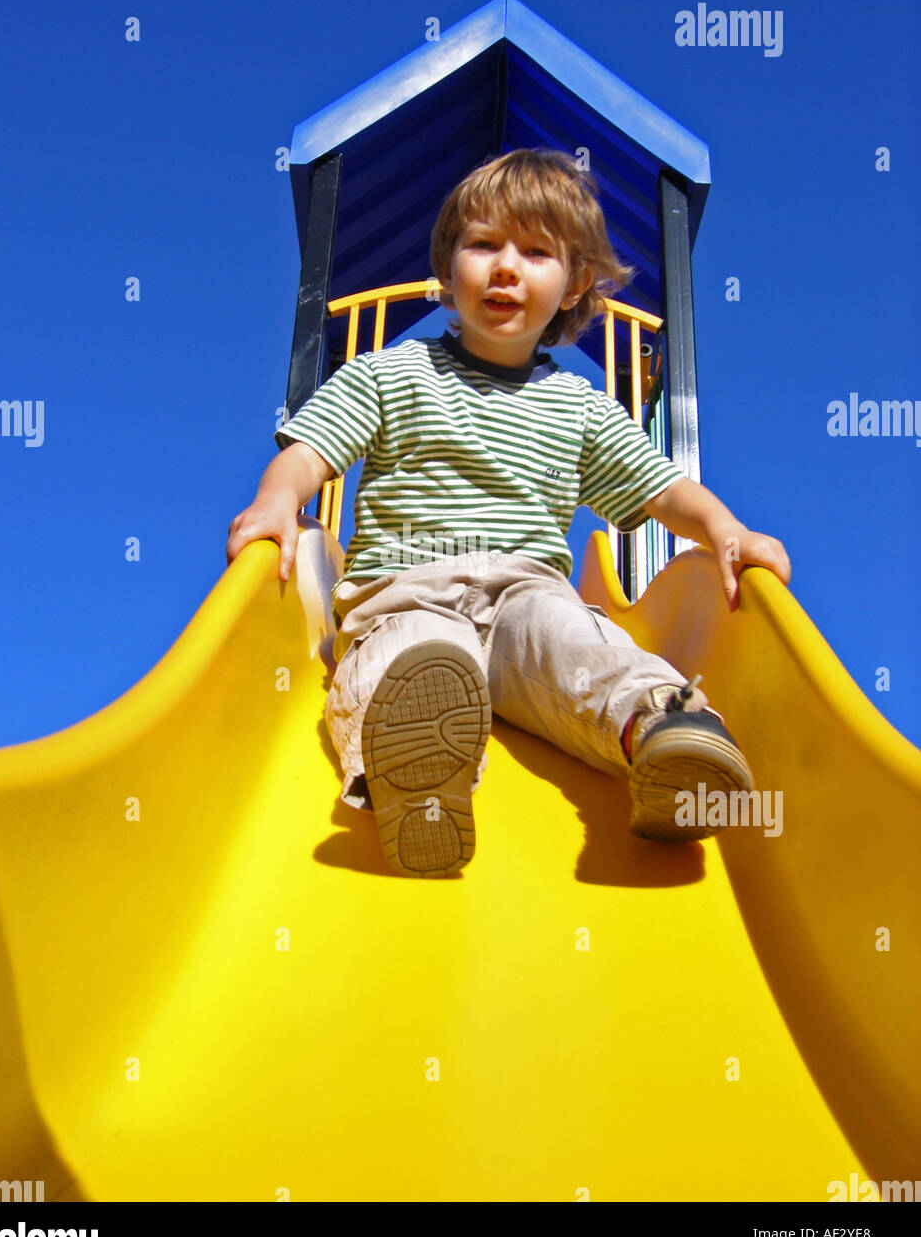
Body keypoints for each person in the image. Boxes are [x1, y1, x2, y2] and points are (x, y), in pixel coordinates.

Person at [227, 149, 791, 878]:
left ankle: (662, 733)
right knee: (410, 655)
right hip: (408, 586)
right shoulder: (390, 372)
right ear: (447, 269)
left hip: (528, 595)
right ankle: (421, 778)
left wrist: (724, 529)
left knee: (578, 646)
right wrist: (277, 503)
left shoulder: (581, 407)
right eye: (483, 244)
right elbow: (309, 453)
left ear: (574, 284)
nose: (505, 267)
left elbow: (659, 489)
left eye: (535, 251)